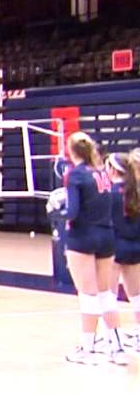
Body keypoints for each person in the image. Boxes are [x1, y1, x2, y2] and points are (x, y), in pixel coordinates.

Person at [57, 132, 127, 366]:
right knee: (106, 294)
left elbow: (73, 211)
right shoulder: (102, 173)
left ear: (71, 150)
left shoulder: (75, 175)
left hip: (83, 237)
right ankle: (117, 348)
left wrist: (59, 210)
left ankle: (88, 350)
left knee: (87, 295)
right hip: (106, 235)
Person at [107, 150, 140, 348]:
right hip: (136, 247)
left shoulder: (109, 194)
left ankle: (114, 340)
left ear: (113, 170)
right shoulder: (136, 192)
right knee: (137, 295)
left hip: (113, 249)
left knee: (108, 297)